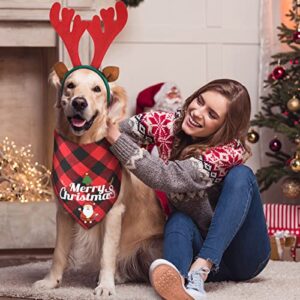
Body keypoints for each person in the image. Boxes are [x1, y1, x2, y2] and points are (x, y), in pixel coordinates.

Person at [106, 79, 271, 300]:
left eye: (212, 114)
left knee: (242, 175)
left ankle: (202, 268)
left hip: (244, 256)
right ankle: (180, 281)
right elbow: (118, 131)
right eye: (199, 101)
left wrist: (115, 138)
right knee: (179, 219)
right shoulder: (166, 124)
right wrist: (101, 119)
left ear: (224, 127)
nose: (197, 112)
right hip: (197, 249)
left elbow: (165, 176)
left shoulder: (228, 152)